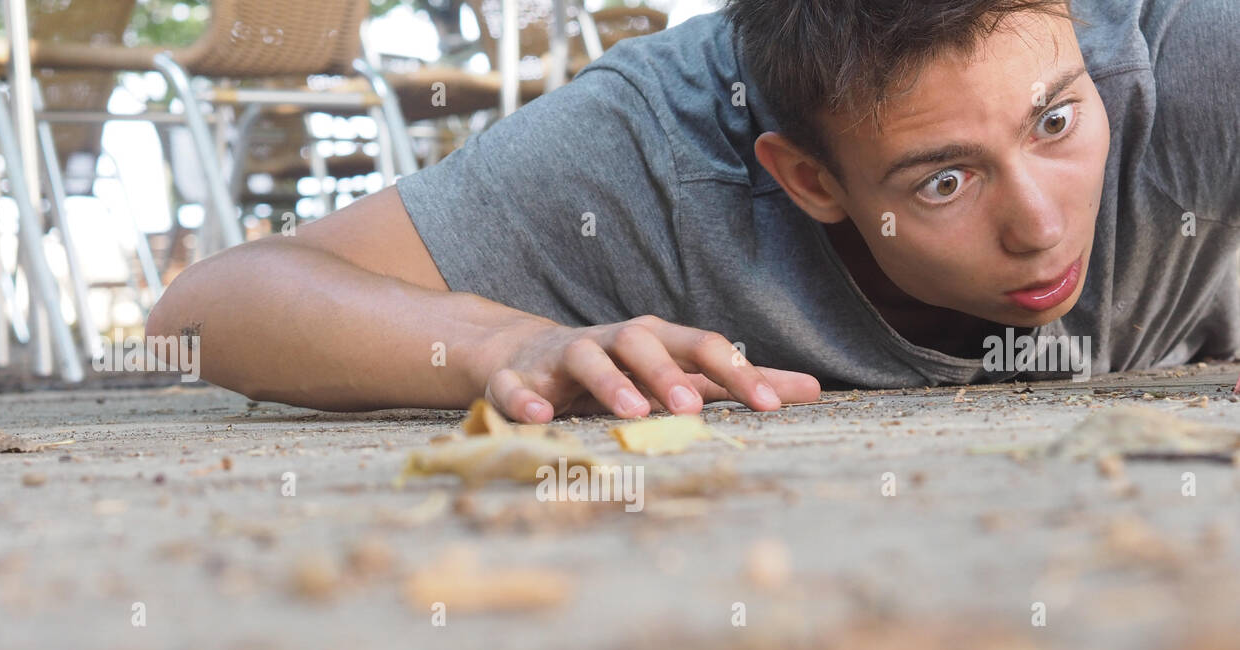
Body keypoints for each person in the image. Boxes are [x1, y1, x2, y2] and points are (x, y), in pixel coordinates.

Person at [146, 0, 1240, 418]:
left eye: (1054, 124)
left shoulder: (1180, 57)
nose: (1042, 227)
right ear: (806, 177)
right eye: (942, 181)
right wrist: (517, 344)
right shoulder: (644, 149)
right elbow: (204, 310)